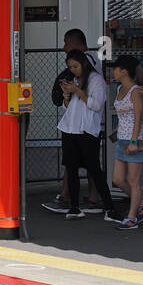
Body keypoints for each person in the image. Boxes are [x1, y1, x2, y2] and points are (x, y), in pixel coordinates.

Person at [49, 50, 117, 220]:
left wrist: (77, 91)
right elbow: (68, 107)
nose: (73, 70)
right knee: (71, 168)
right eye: (70, 67)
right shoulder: (75, 80)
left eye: (75, 66)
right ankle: (74, 207)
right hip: (70, 128)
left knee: (94, 169)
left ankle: (110, 208)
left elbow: (96, 105)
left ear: (84, 64)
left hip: (87, 130)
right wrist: (67, 94)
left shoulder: (96, 80)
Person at [45, 28, 104, 212]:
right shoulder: (93, 61)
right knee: (79, 163)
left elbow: (93, 102)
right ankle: (77, 199)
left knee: (86, 164)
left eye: (66, 43)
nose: (64, 47)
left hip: (86, 124)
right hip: (77, 123)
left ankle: (79, 199)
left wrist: (73, 88)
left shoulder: (90, 62)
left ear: (75, 43)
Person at [111, 55, 143, 229]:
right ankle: (142, 204)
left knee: (134, 181)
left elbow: (138, 118)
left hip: (136, 140)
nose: (113, 71)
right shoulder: (120, 88)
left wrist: (134, 141)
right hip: (122, 139)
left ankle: (131, 217)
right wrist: (118, 129)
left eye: (115, 68)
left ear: (124, 71)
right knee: (118, 180)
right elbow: (125, 116)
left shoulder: (136, 91)